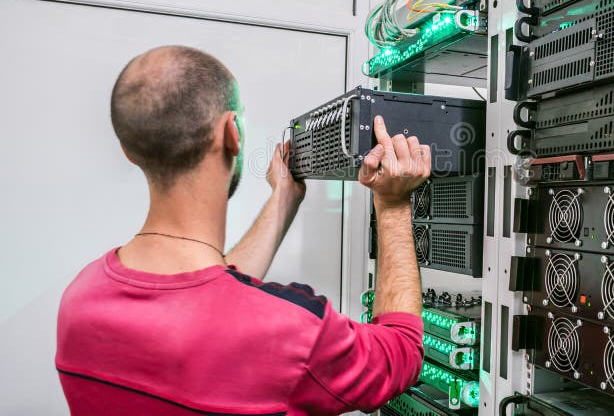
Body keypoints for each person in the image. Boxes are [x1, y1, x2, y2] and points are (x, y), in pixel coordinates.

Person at [56, 45, 431, 415]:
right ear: (232, 133)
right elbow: (400, 353)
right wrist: (393, 204)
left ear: (127, 149)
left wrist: (283, 198)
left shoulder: (81, 299)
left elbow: (209, 298)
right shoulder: (294, 331)